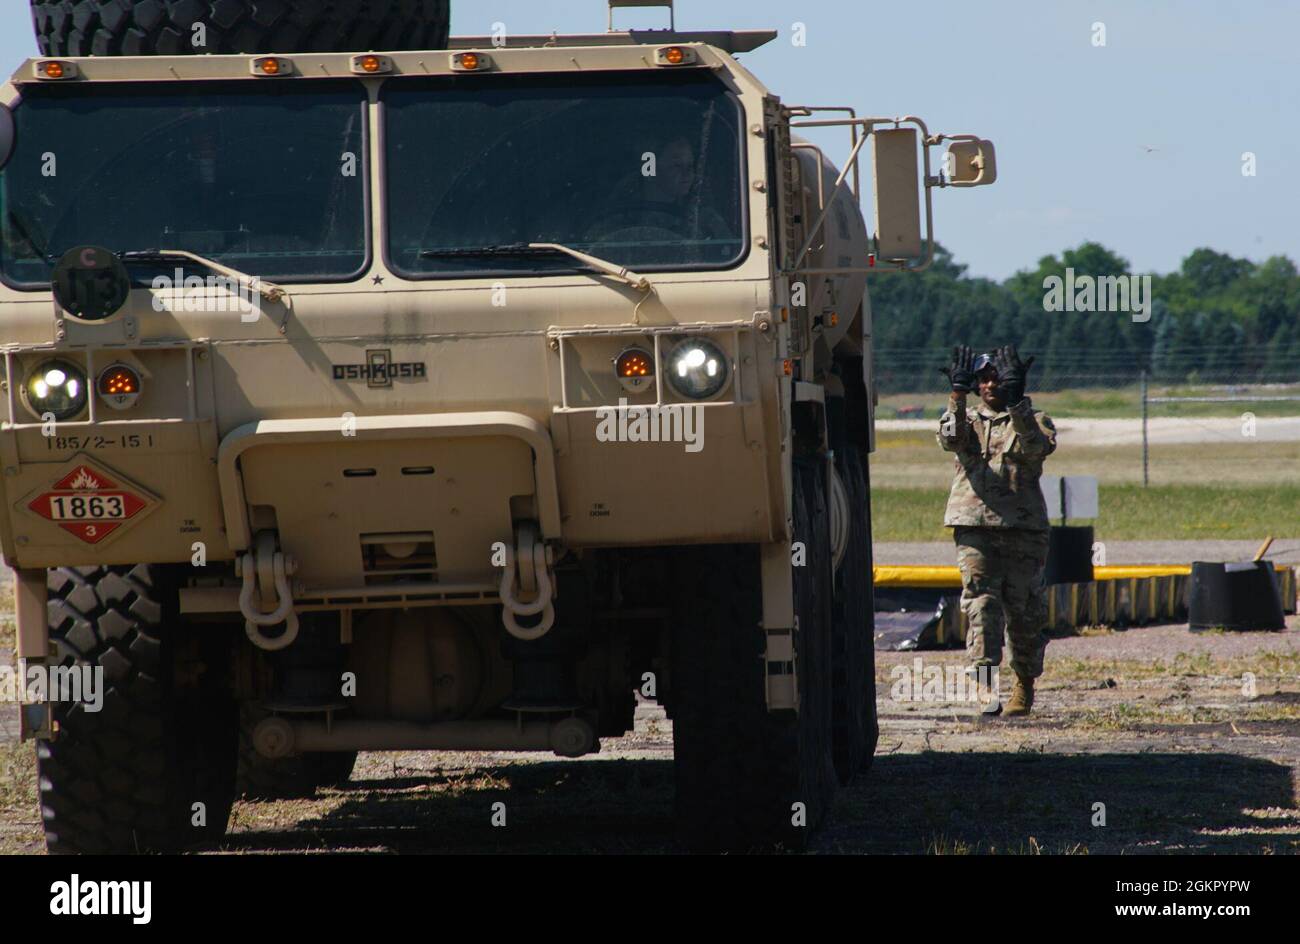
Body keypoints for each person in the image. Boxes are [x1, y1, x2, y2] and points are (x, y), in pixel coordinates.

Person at [937, 345, 1057, 716]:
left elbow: (1036, 448)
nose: (990, 384)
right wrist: (956, 396)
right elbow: (950, 440)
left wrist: (1017, 401)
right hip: (974, 526)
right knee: (981, 605)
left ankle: (1024, 682)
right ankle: (984, 683)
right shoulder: (967, 418)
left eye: (997, 378)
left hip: (1022, 527)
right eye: (983, 378)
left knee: (1024, 609)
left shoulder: (1034, 419)